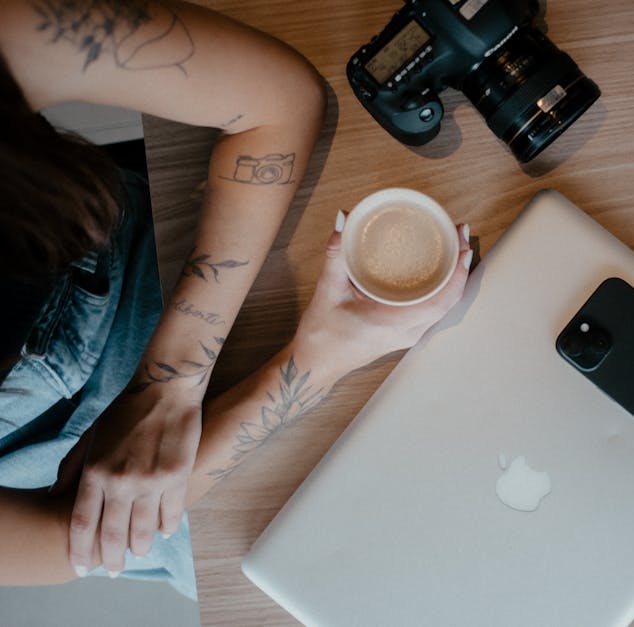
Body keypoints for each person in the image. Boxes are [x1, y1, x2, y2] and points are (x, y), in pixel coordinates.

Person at [0, 0, 472, 595]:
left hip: (185, 242)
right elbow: (70, 544)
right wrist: (315, 362)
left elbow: (279, 100)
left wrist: (169, 382)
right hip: (137, 494)